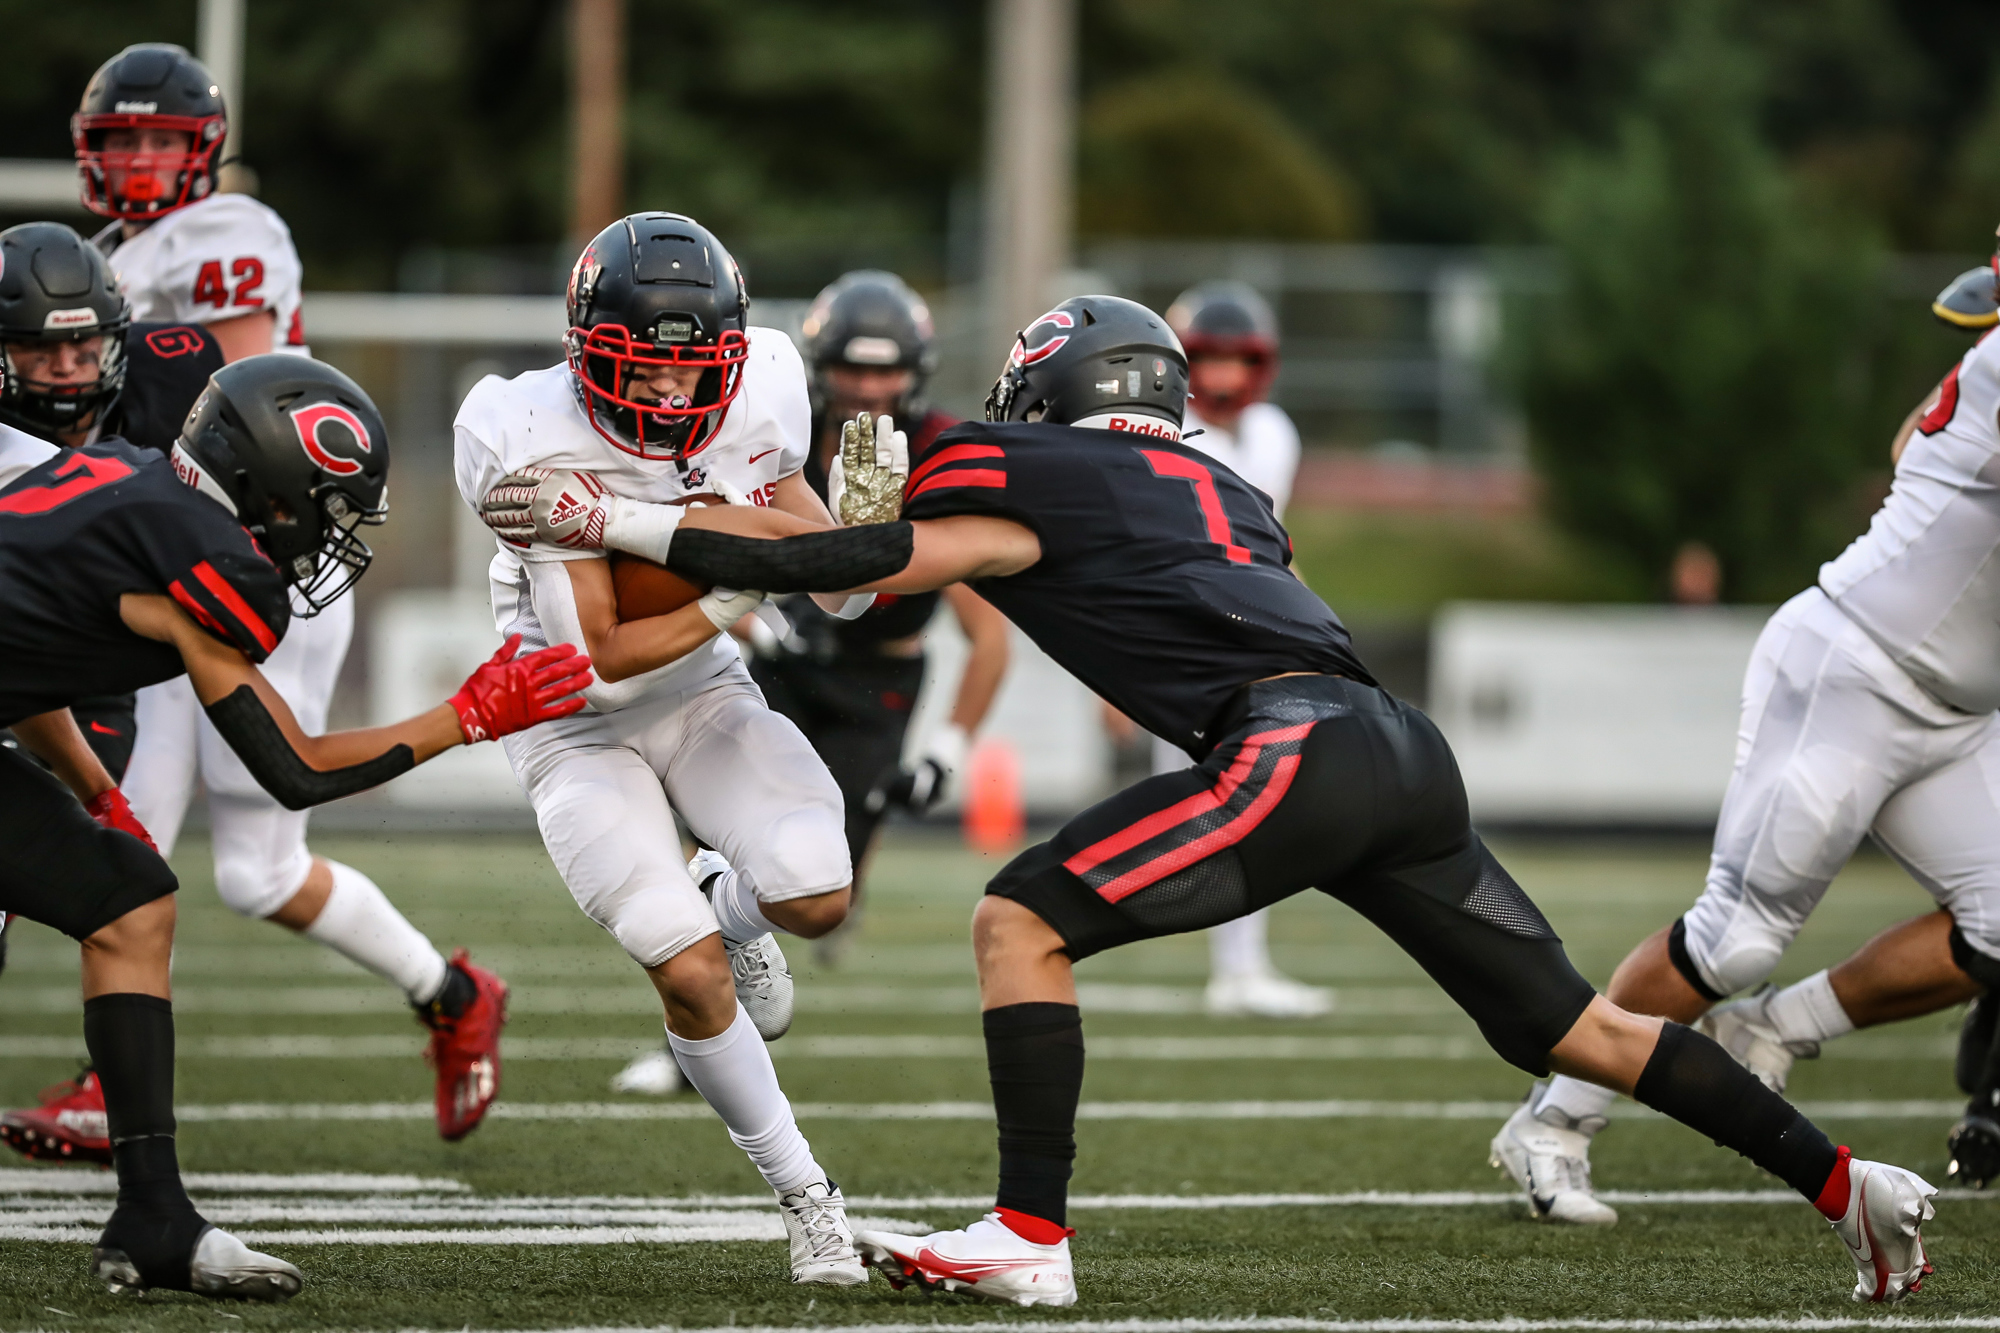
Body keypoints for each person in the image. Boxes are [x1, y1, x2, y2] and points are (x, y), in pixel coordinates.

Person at [493, 294, 1943, 1307]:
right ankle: (1842, 1183)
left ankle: (1027, 1232)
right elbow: (892, 560)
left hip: (1289, 747)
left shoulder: (1024, 464)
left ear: (1050, 397)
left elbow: (845, 573)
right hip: (1400, 751)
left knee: (1018, 921)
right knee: (1572, 1028)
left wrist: (609, 517)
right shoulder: (1232, 493)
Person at [0, 352, 589, 1298]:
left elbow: (23, 656)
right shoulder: (216, 563)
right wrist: (470, 714)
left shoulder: (120, 474)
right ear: (267, 488)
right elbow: (295, 771)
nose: (333, 530)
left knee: (131, 903)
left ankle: (153, 1217)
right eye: (326, 502)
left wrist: (98, 795)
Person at [1487, 249, 2000, 1222]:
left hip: (1956, 710)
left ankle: (1769, 1032)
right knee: (1733, 935)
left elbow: (1906, 448)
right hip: (1854, 671)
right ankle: (1550, 1123)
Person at [68, 46, 512, 1144]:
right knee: (149, 835)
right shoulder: (105, 254)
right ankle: (111, 1084)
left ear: (203, 151)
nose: (136, 159)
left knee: (250, 865)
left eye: (160, 140)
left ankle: (453, 994)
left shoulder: (231, 236)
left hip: (271, 559)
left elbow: (242, 400)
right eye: (119, 139)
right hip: (174, 563)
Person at [459, 212, 873, 1285]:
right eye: (640, 373)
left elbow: (838, 578)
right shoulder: (524, 432)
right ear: (585, 355)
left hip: (701, 690)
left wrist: (864, 542)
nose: (667, 397)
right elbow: (601, 660)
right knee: (686, 971)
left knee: (818, 891)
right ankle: (808, 1197)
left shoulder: (767, 388)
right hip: (571, 720)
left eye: (691, 374)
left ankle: (733, 905)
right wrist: (741, 579)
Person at [610, 270, 1009, 1095]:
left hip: (880, 687)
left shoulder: (938, 452)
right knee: (713, 842)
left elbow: (986, 632)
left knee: (827, 892)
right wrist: (743, 611)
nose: (869, 387)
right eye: (854, 370)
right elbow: (713, 527)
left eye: (886, 370)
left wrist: (948, 749)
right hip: (781, 659)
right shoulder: (777, 426)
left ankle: (732, 957)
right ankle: (699, 1041)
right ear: (821, 368)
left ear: (917, 370)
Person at [1161, 281, 1322, 1019]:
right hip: (1173, 640)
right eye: (1209, 360)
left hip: (1252, 638)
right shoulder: (1157, 429)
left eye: (1237, 360)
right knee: (1202, 812)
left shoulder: (1274, 435)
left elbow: (1271, 549)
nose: (1223, 377)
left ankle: (1242, 965)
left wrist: (1311, 629)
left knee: (1248, 806)